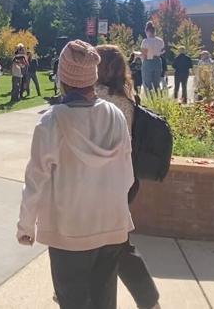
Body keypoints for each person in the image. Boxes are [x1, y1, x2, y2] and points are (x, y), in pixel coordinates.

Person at [18, 40, 134, 309]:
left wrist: (26, 226)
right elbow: (127, 175)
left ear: (63, 77)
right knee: (105, 302)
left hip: (68, 230)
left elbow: (35, 181)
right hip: (111, 225)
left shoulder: (51, 122)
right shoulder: (115, 115)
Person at [94, 45, 160, 309]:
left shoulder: (98, 98)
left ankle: (148, 300)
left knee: (115, 245)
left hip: (103, 181)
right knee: (111, 241)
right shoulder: (126, 97)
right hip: (125, 178)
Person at [140, 21, 165, 93]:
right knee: (156, 82)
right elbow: (162, 50)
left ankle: (149, 97)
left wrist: (139, 55)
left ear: (147, 31)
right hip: (157, 61)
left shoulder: (145, 41)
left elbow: (144, 55)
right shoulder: (160, 41)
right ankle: (157, 96)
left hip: (148, 61)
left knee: (147, 83)